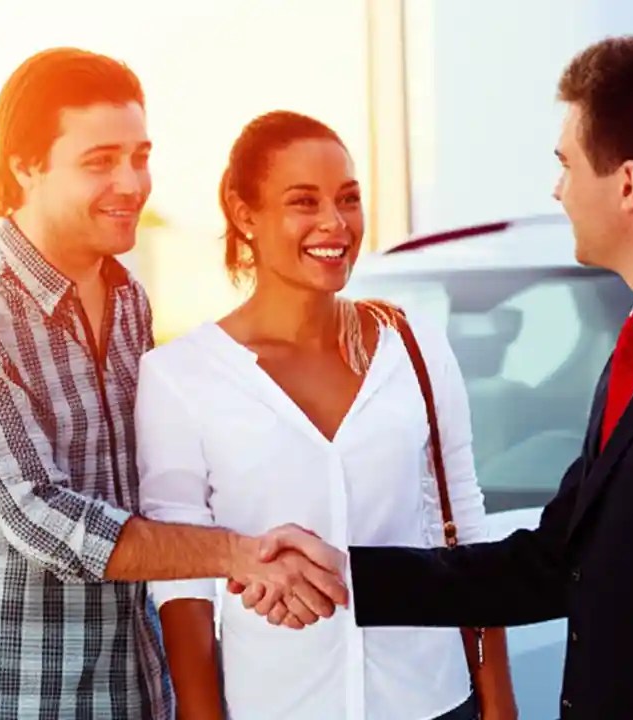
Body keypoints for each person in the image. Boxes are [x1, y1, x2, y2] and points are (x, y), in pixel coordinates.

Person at [248, 36, 633, 719]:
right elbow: (553, 562)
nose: (557, 188)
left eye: (566, 163)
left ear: (628, 184)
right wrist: (344, 573)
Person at [0, 49, 345, 720]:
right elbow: (39, 516)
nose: (133, 182)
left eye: (140, 155)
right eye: (100, 161)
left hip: (130, 692)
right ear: (26, 166)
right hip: (8, 701)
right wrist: (242, 556)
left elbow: (158, 483)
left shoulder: (127, 297)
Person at [135, 110, 517, 720]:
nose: (334, 224)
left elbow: (465, 526)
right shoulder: (181, 378)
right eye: (303, 202)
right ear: (244, 213)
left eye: (348, 199)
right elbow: (183, 583)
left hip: (434, 700)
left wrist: (498, 701)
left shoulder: (415, 348)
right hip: (277, 704)